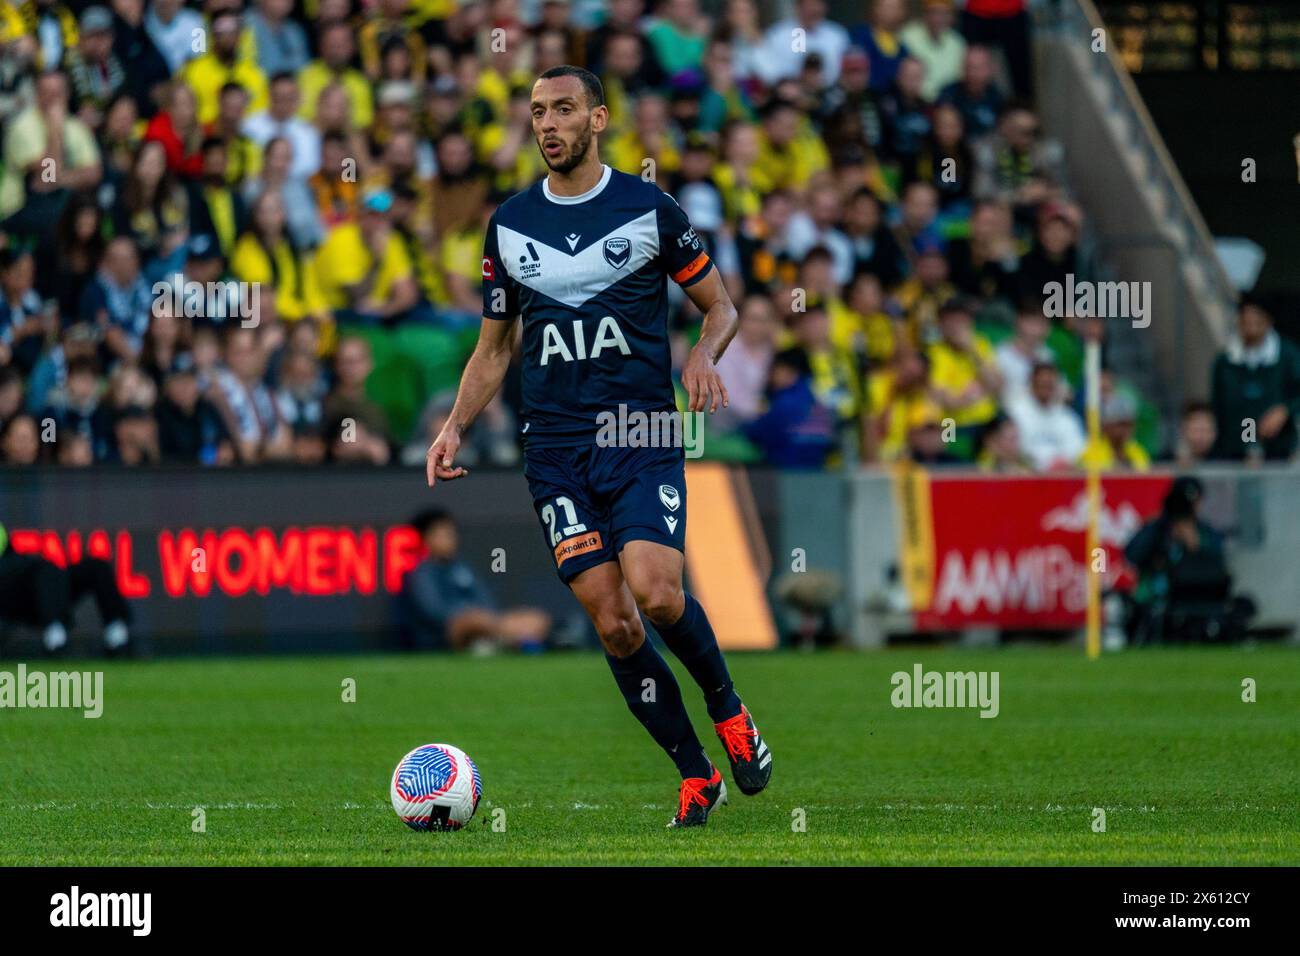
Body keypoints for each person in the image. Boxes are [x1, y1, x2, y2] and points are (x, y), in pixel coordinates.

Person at [425, 66, 771, 828]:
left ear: (600, 118)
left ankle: (729, 710)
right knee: (615, 623)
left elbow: (721, 308)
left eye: (563, 108)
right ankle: (694, 774)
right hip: (554, 450)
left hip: (640, 432)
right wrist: (453, 425)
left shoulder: (650, 209)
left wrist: (705, 354)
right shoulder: (510, 226)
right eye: (537, 111)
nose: (548, 123)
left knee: (656, 592)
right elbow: (493, 349)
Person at [398, 508, 551, 653]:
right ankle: (510, 640)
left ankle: (493, 642)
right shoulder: (423, 572)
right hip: (448, 631)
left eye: (451, 534)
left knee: (536, 619)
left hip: (486, 622)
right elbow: (433, 611)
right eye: (442, 535)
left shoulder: (462, 567)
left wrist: (487, 617)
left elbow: (486, 600)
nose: (449, 540)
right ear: (427, 539)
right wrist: (469, 614)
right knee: (472, 621)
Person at [1122, 476, 1255, 644]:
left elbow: (1219, 564)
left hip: (1200, 596)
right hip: (1158, 596)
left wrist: (1196, 548)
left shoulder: (1205, 532)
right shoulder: (1156, 529)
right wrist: (1160, 532)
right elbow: (1132, 555)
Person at [0, 521, 133, 656]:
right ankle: (55, 638)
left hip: (48, 588)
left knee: (97, 568)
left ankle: (117, 637)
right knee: (46, 570)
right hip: (14, 596)